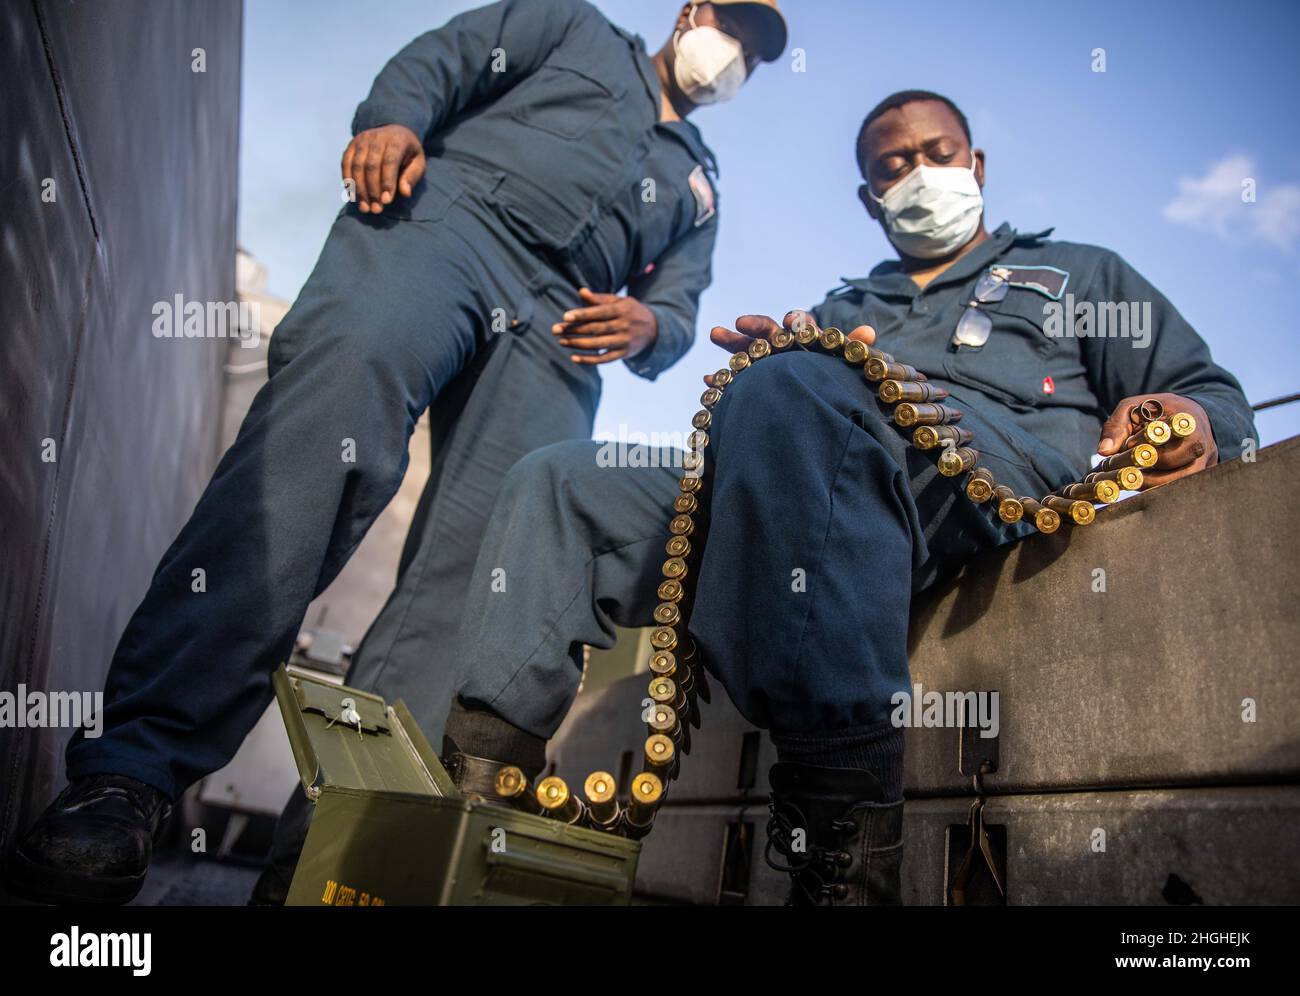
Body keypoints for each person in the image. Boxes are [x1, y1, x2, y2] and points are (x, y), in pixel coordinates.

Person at [4, 0, 788, 906]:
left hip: (562, 334)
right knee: (324, 429)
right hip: (450, 227)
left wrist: (652, 321)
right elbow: (444, 58)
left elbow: (683, 308)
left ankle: (335, 853)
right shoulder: (570, 27)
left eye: (758, 53)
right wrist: (391, 122)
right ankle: (129, 775)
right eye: (733, 24)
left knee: (495, 560)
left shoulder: (700, 184)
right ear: (693, 12)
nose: (735, 53)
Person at [413, 90, 1257, 905]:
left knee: (797, 389)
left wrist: (1190, 416)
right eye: (895, 165)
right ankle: (477, 803)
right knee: (564, 480)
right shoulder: (845, 307)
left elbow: (1205, 391)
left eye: (939, 153)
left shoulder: (1080, 272)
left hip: (987, 477)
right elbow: (781, 422)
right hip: (824, 481)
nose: (922, 173)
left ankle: (847, 858)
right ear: (869, 195)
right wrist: (769, 385)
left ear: (978, 163)